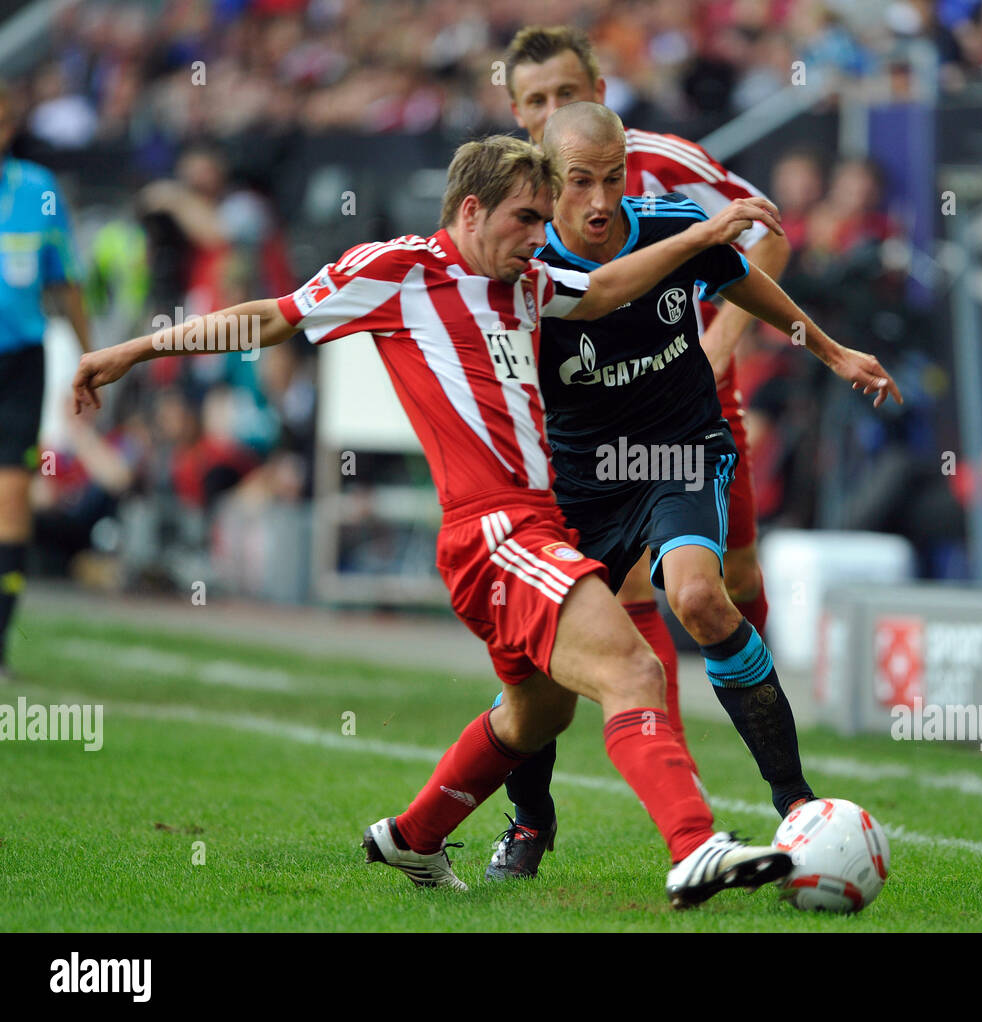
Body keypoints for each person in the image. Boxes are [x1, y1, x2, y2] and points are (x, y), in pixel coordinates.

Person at [71, 135, 815, 908]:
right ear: (471, 209)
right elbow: (271, 320)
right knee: (635, 670)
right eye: (527, 218)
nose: (539, 236)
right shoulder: (396, 272)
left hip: (538, 527)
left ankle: (414, 837)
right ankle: (695, 847)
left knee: (538, 713)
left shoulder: (527, 281)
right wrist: (133, 351)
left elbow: (599, 292)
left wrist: (697, 238)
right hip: (494, 534)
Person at [482, 102, 902, 881]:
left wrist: (835, 352)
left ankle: (796, 806)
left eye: (614, 179)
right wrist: (704, 234)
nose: (601, 200)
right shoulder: (529, 268)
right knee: (541, 682)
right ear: (549, 181)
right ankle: (531, 821)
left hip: (678, 452)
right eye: (581, 183)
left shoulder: (669, 222)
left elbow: (742, 281)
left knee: (702, 600)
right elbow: (605, 290)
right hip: (583, 478)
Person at [495, 24, 793, 872]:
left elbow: (764, 236)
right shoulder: (517, 198)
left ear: (599, 88)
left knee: (726, 585)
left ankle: (776, 767)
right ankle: (657, 791)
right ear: (518, 114)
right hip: (588, 435)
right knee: (607, 605)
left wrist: (722, 341)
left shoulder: (666, 159)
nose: (555, 109)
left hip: (689, 396)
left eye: (567, 92)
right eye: (537, 102)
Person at [0, 82, 92, 681]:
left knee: (11, 499)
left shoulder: (37, 189)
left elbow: (67, 282)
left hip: (19, 362)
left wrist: (93, 356)